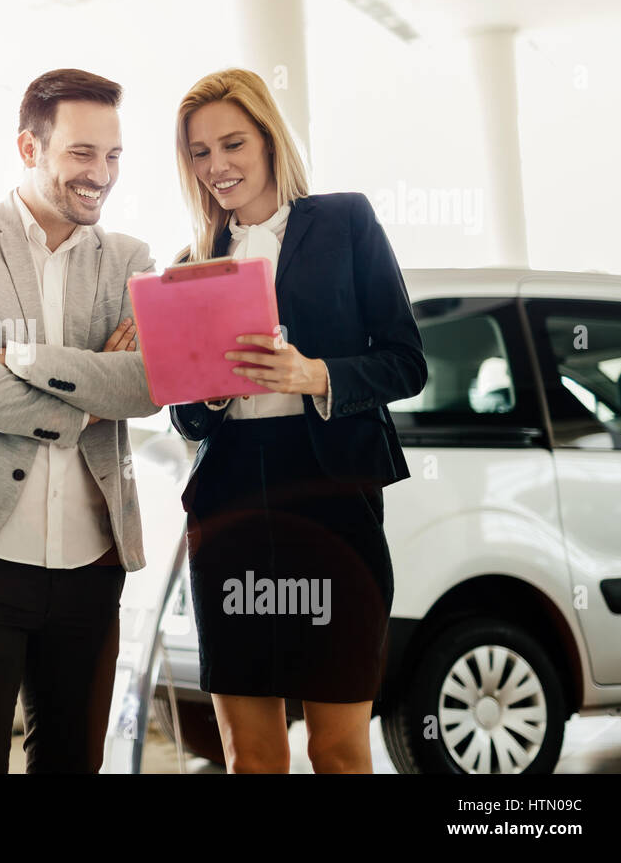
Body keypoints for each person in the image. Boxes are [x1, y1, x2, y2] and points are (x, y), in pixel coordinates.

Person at [0, 68, 163, 773]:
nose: (100, 174)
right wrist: (85, 395)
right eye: (82, 153)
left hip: (90, 562)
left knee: (74, 764)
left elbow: (145, 386)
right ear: (29, 147)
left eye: (113, 156)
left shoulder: (133, 261)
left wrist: (20, 355)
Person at [167, 68, 427, 773]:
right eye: (199, 152)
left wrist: (315, 374)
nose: (217, 166)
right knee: (250, 753)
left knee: (338, 749)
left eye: (232, 143)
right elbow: (186, 419)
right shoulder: (190, 265)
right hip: (229, 509)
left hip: (332, 502)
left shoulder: (344, 221)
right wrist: (213, 395)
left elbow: (408, 362)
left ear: (269, 139)